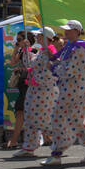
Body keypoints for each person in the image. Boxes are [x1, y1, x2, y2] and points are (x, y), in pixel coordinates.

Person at [43, 20, 85, 166]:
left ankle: (57, 153)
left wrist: (53, 68)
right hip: (72, 89)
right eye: (66, 29)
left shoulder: (79, 49)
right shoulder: (70, 47)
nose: (66, 32)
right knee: (77, 119)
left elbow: (70, 71)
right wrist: (53, 60)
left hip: (75, 90)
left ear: (77, 31)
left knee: (60, 118)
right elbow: (64, 64)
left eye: (69, 30)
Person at [15, 27, 60, 158]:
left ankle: (59, 144)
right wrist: (26, 50)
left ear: (46, 38)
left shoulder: (50, 52)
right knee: (30, 118)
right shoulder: (42, 51)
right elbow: (31, 65)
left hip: (44, 92)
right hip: (35, 90)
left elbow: (51, 72)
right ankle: (29, 146)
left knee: (44, 119)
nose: (37, 37)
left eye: (40, 35)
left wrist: (36, 79)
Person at [4, 31, 34, 150]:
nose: (18, 42)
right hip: (22, 84)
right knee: (22, 111)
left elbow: (31, 67)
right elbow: (12, 62)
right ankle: (16, 139)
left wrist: (23, 68)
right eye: (17, 39)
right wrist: (16, 49)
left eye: (20, 39)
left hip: (28, 84)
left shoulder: (32, 52)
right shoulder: (22, 51)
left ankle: (15, 139)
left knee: (21, 111)